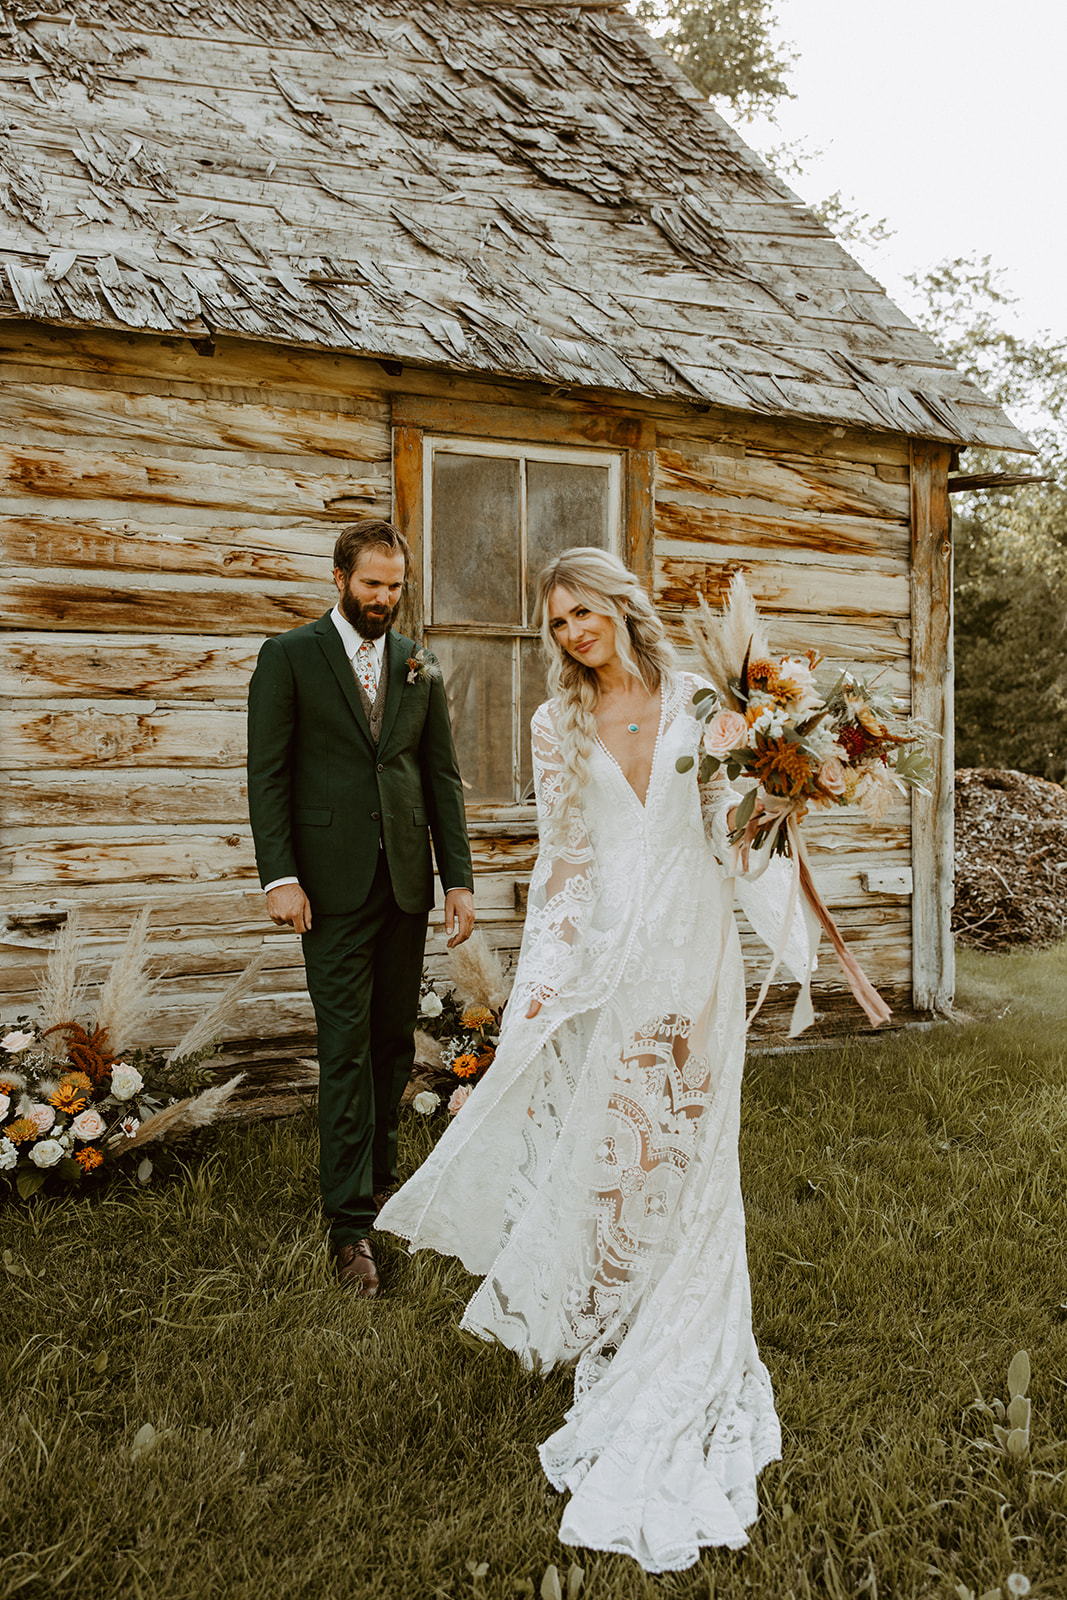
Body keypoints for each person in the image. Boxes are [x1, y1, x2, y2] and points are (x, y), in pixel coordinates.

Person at [377, 547, 810, 1571]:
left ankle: (690, 1326)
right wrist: (543, 982)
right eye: (557, 623)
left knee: (695, 1144)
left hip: (693, 944)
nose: (573, 633)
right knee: (624, 1142)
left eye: (583, 612)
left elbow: (727, 833)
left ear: (620, 605)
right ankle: (617, 1307)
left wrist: (777, 804)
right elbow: (564, 856)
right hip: (613, 954)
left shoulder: (704, 701)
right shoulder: (553, 720)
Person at [247, 518, 475, 1297]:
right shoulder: (289, 658)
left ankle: (379, 1184)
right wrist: (278, 875)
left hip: (405, 885)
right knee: (344, 1047)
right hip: (329, 890)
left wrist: (458, 881)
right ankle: (349, 1229)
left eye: (396, 587)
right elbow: (267, 774)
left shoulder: (418, 663)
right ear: (340, 578)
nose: (384, 599)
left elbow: (439, 776)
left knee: (388, 1042)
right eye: (372, 584)